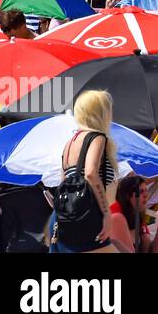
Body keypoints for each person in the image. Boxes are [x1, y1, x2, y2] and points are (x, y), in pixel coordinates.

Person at [52, 90, 119, 254]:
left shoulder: (70, 143)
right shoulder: (97, 138)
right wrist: (106, 213)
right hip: (89, 216)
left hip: (66, 218)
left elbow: (63, 182)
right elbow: (90, 173)